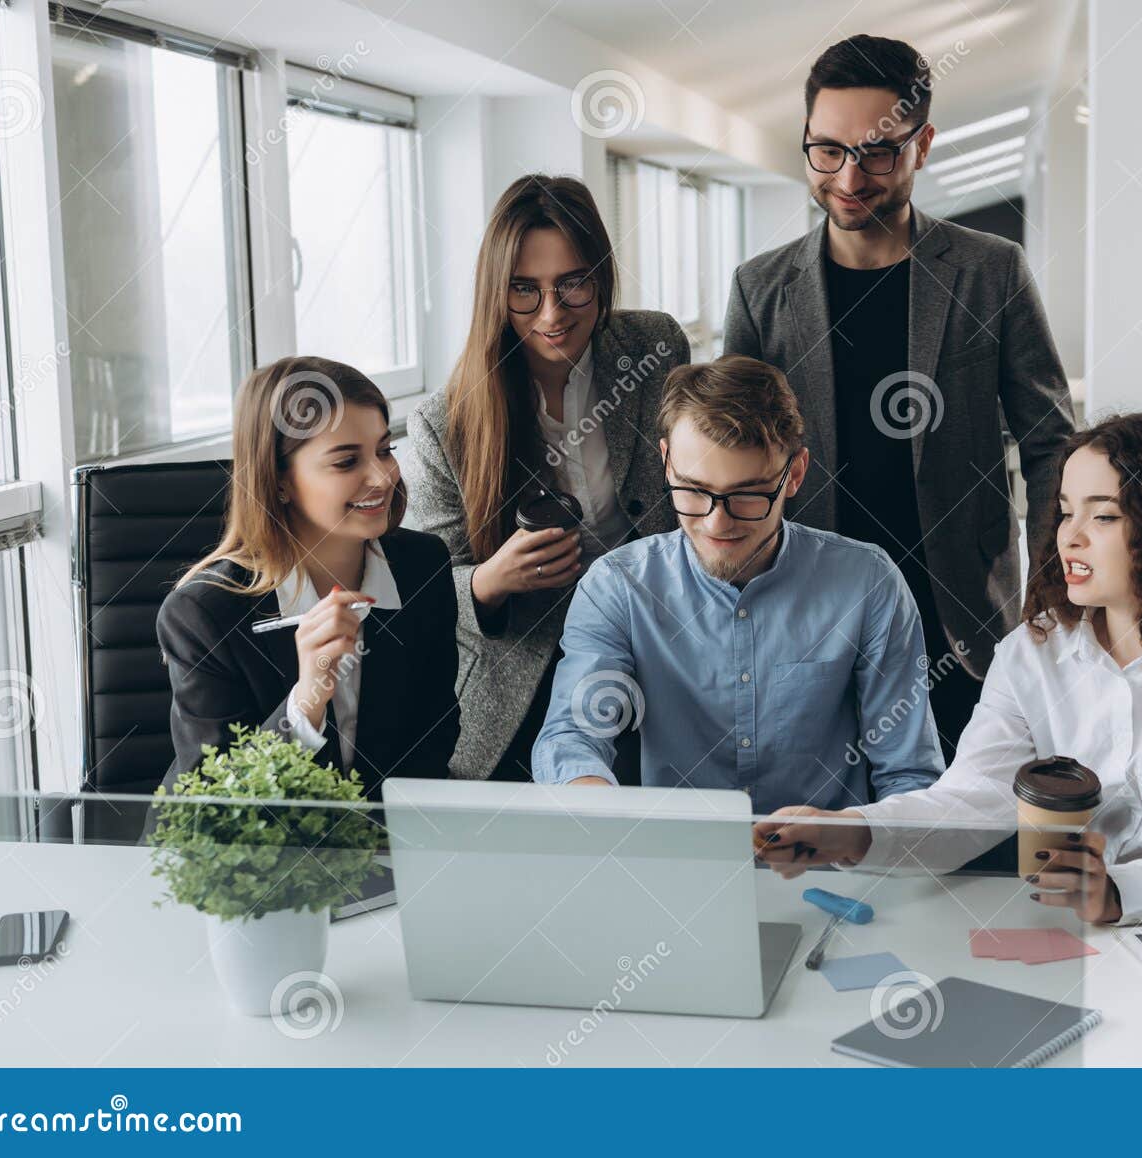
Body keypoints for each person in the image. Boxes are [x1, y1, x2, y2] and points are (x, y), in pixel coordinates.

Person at [757, 411, 1142, 927]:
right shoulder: (1033, 653)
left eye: (1103, 517)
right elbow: (974, 800)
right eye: (1065, 511)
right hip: (1079, 945)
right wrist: (853, 830)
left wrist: (1125, 891)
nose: (1070, 537)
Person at [722, 34, 1075, 762]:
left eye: (878, 152)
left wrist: (1053, 584)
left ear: (924, 145)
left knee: (970, 821)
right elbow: (729, 457)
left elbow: (1051, 443)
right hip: (807, 610)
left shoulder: (990, 271)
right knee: (827, 821)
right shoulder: (759, 290)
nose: (850, 177)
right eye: (827, 150)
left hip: (961, 611)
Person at [531, 355, 942, 815]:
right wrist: (593, 798)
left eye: (747, 493)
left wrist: (861, 837)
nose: (716, 521)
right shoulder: (617, 587)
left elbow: (910, 774)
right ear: (666, 463)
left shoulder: (868, 583)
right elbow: (572, 735)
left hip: (831, 866)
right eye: (694, 489)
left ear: (796, 474)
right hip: (678, 862)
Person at [405, 174, 690, 781]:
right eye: (524, 291)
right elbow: (428, 584)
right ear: (495, 293)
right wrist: (488, 581)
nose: (552, 314)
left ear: (601, 274)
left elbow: (690, 486)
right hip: (519, 681)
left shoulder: (656, 346)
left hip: (657, 650)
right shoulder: (443, 422)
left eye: (572, 284)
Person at [156, 357, 460, 797]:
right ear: (279, 482)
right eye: (345, 462)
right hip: (252, 858)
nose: (382, 476)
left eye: (384, 449)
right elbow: (216, 801)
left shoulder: (422, 566)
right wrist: (307, 701)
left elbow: (434, 739)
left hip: (385, 848)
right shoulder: (202, 614)